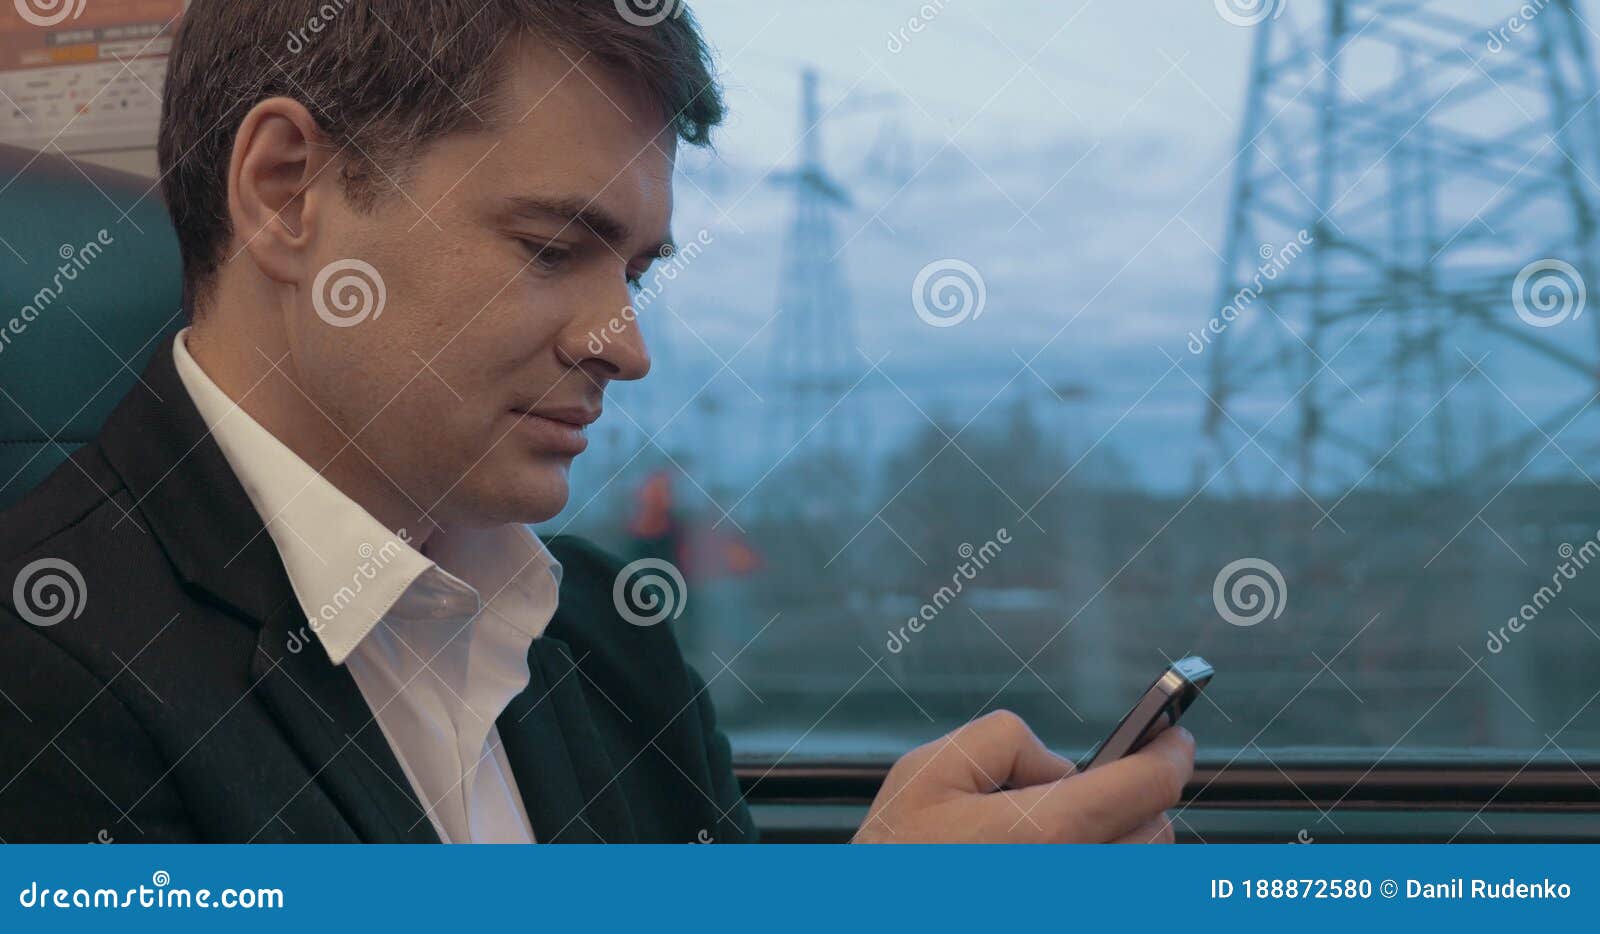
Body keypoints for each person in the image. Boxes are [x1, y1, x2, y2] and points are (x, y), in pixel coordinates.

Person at [0, 0, 1193, 843]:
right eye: (553, 247)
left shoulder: (610, 646)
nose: (626, 345)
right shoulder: (40, 675)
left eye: (637, 270)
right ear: (286, 192)